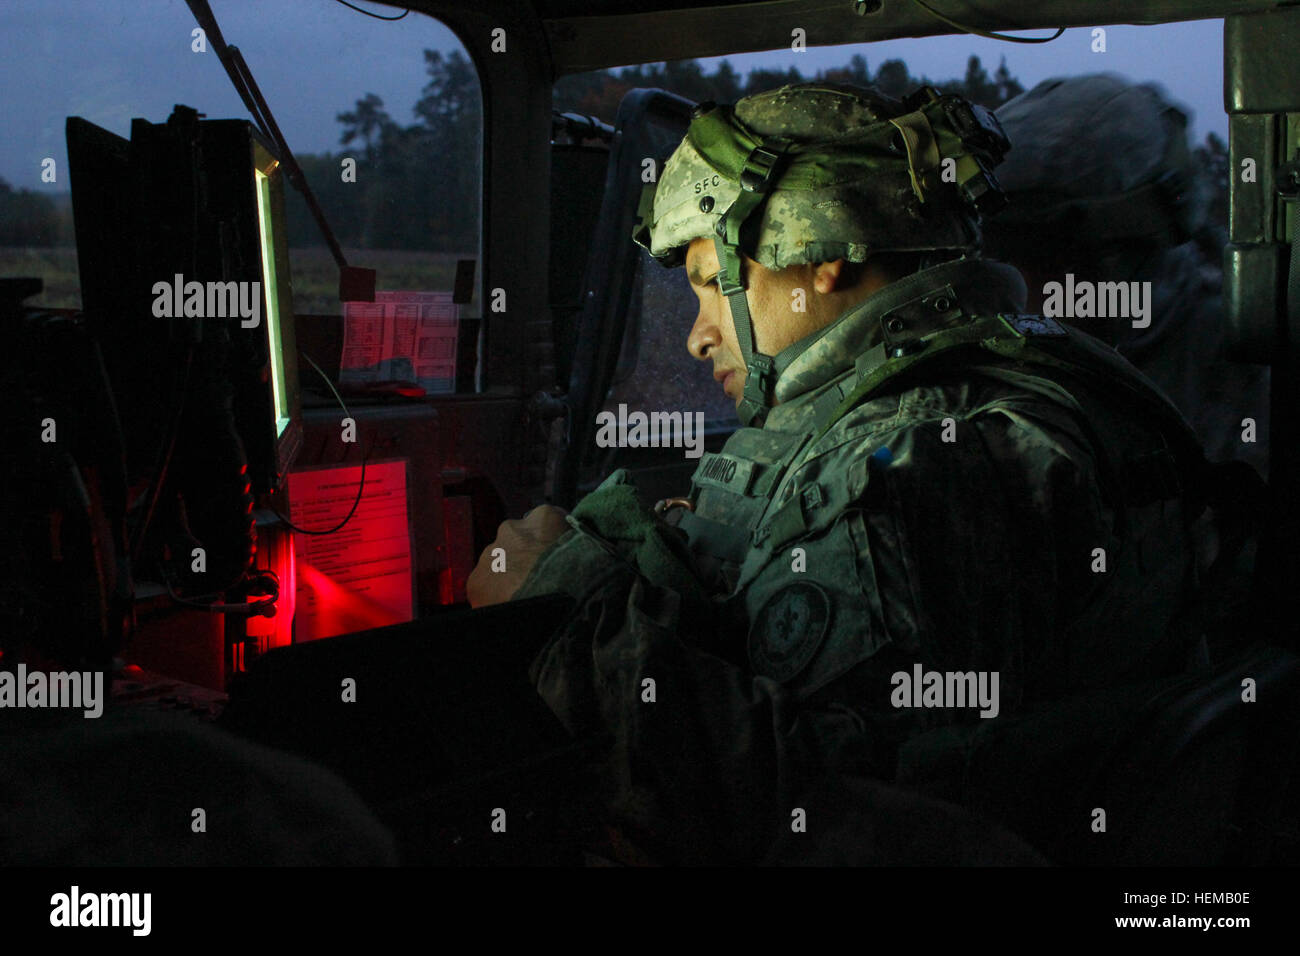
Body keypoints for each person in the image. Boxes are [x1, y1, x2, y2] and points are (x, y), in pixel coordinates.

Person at [467, 82, 1216, 864]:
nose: (697, 337)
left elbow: (806, 809)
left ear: (818, 257)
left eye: (706, 280)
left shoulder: (896, 468)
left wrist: (561, 606)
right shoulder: (1054, 381)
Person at [983, 73, 1270, 481]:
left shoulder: (1246, 372)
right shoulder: (989, 366)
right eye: (1000, 257)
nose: (1024, 291)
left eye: (1049, 256)